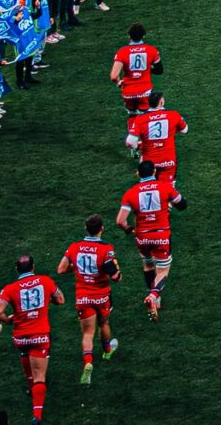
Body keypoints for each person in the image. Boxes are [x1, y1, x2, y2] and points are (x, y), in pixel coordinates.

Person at [0, 256, 61, 422]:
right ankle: (37, 415)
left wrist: (9, 320)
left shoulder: (10, 288)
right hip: (40, 336)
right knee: (39, 376)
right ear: (33, 267)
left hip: (20, 338)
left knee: (25, 356)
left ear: (17, 269)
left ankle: (31, 389)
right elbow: (60, 300)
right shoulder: (45, 281)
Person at [57, 215, 122, 385]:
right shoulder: (106, 249)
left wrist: (76, 268)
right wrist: (118, 274)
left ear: (86, 229)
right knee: (104, 323)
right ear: (102, 229)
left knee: (87, 332)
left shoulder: (74, 247)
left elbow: (61, 269)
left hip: (83, 296)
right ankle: (107, 351)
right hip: (101, 295)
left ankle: (88, 363)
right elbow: (114, 276)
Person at [115, 161, 174, 318]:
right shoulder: (164, 187)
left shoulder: (130, 193)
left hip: (142, 237)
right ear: (154, 171)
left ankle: (156, 299)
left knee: (148, 265)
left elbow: (120, 221)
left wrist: (128, 230)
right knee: (163, 269)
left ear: (138, 174)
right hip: (160, 236)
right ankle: (154, 295)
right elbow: (182, 204)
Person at [110, 24, 161, 114]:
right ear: (143, 35)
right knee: (146, 119)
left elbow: (114, 76)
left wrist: (118, 82)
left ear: (129, 36)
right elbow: (159, 70)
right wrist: (147, 68)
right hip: (145, 92)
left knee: (132, 117)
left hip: (128, 93)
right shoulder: (151, 50)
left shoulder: (122, 52)